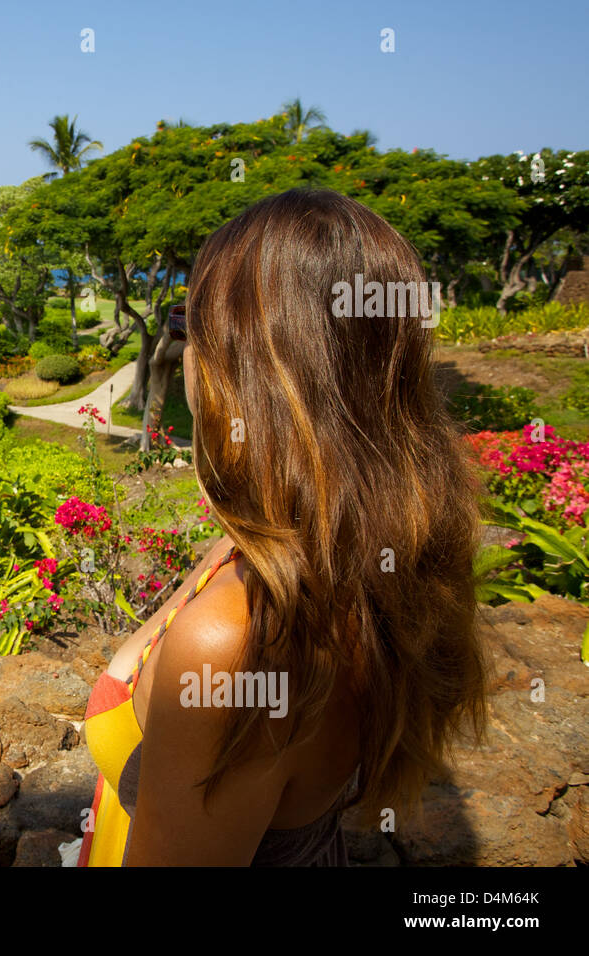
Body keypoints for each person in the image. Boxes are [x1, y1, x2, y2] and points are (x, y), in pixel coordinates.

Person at [76, 188, 490, 866]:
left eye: (188, 324)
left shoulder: (241, 635)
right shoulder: (346, 548)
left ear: (236, 371)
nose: (181, 349)